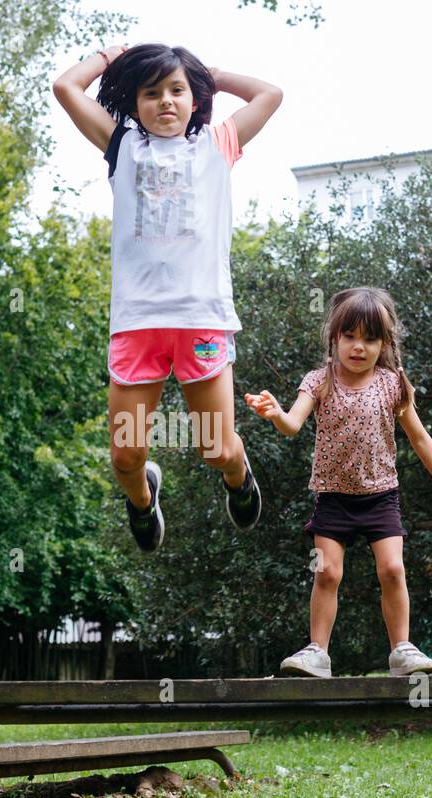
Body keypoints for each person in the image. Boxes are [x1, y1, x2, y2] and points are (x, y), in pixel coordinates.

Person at [52, 43, 282, 551]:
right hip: (137, 325)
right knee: (126, 457)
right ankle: (142, 500)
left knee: (216, 449)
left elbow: (270, 94)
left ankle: (239, 475)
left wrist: (210, 74)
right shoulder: (122, 146)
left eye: (177, 90)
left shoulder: (217, 144)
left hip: (200, 319)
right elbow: (67, 88)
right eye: (152, 93)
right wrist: (111, 55)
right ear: (136, 104)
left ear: (195, 99)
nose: (166, 102)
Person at [245, 287, 432, 677]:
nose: (358, 347)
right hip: (333, 496)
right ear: (334, 338)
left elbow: (419, 437)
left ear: (384, 343)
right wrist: (276, 413)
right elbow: (292, 425)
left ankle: (402, 650)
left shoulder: (392, 384)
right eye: (349, 336)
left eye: (369, 338)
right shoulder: (319, 381)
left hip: (381, 496)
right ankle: (317, 652)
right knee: (327, 572)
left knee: (392, 570)